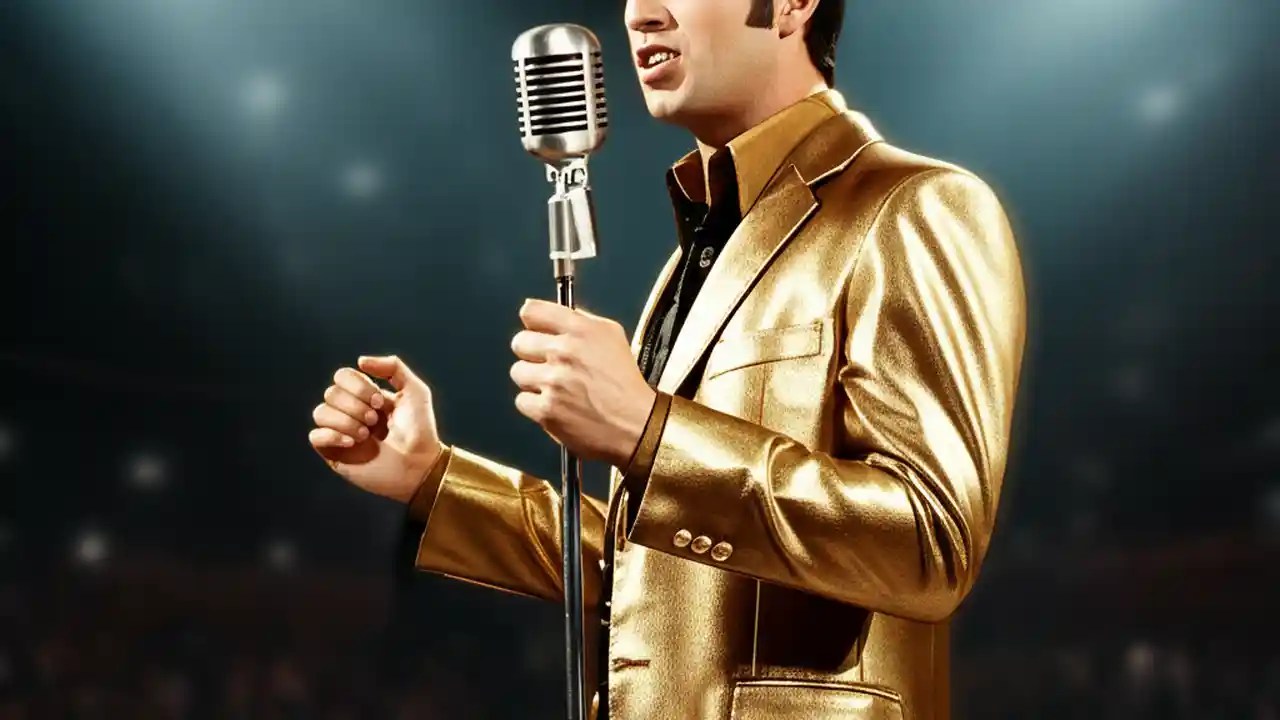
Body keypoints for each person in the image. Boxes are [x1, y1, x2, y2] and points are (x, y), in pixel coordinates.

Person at [307, 0, 1027, 717]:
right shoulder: (701, 251)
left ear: (791, 6)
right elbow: (649, 566)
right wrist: (433, 477)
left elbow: (932, 545)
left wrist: (647, 431)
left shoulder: (917, 207)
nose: (640, 14)